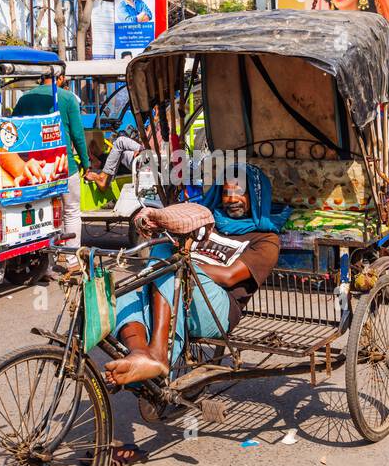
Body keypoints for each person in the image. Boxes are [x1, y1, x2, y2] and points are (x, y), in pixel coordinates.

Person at [103, 166, 285, 388]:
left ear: (255, 196)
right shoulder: (208, 222)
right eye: (226, 193)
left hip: (216, 310)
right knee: (128, 291)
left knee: (172, 263)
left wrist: (186, 264)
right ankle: (140, 354)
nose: (231, 199)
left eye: (240, 192)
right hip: (180, 289)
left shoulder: (266, 240)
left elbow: (229, 276)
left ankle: (159, 354)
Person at [13, 71, 90, 270]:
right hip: (65, 167)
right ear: (61, 78)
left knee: (43, 217)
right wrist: (86, 163)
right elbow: (77, 135)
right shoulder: (67, 98)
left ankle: (46, 266)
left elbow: (13, 131)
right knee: (71, 213)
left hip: (35, 170)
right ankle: (73, 261)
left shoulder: (25, 98)